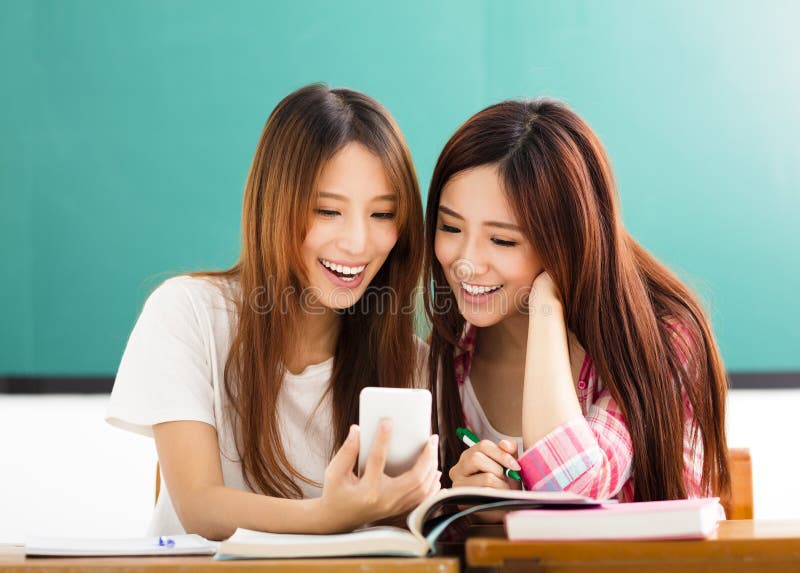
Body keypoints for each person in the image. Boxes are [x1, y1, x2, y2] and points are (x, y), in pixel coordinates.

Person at [107, 84, 440, 540]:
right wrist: (329, 515)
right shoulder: (188, 313)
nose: (358, 243)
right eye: (327, 210)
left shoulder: (410, 364)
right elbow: (200, 507)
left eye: (382, 215)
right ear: (275, 202)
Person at [424, 98, 730, 504]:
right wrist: (472, 502)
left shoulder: (663, 339)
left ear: (565, 242)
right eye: (450, 227)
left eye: (502, 240)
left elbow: (570, 489)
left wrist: (547, 303)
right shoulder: (453, 349)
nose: (465, 262)